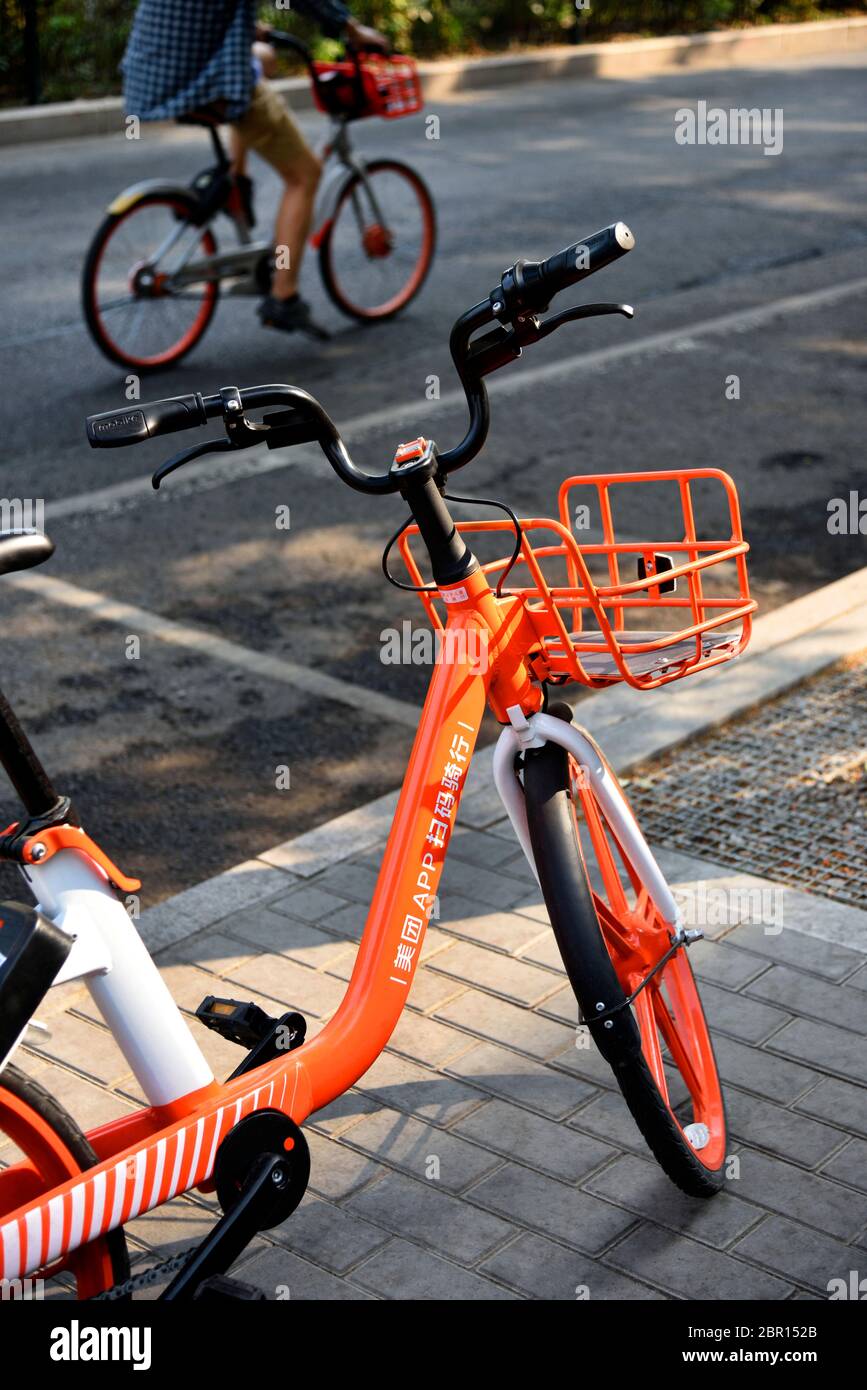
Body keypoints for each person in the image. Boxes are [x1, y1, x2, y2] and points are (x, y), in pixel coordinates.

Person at [122, 1, 388, 337]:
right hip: (204, 83)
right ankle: (284, 295)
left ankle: (236, 182)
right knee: (305, 175)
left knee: (264, 59)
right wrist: (352, 29)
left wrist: (248, 27)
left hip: (152, 79)